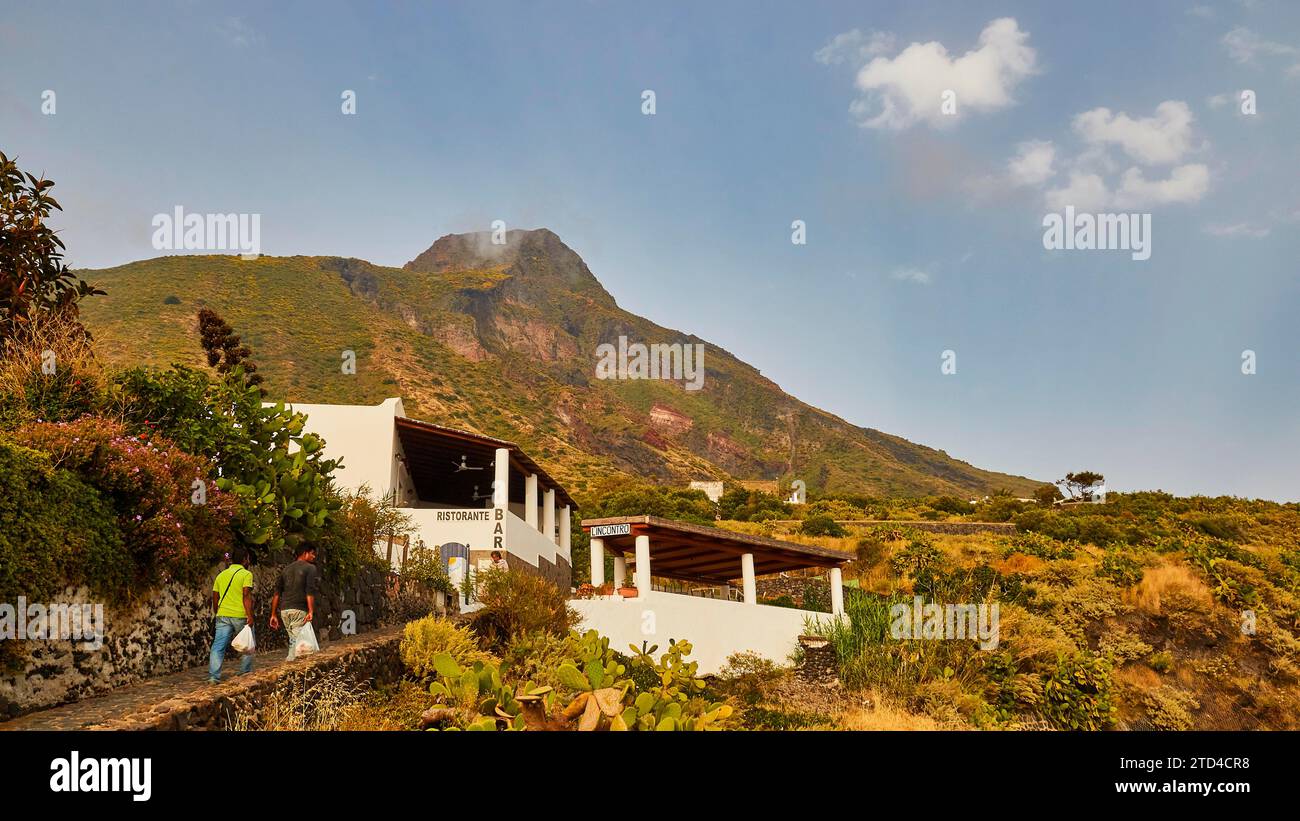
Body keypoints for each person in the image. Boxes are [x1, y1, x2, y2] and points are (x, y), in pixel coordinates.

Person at [208, 547, 254, 683]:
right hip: (240, 614)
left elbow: (215, 597)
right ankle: (245, 672)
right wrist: (249, 615)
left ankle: (213, 676)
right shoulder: (246, 574)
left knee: (218, 646)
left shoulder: (221, 575)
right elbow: (246, 595)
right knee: (247, 644)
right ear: (245, 559)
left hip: (222, 614)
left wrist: (217, 612)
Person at [269, 545, 319, 659]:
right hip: (298, 610)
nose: (314, 556)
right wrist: (311, 611)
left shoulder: (285, 569)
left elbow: (277, 593)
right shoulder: (310, 568)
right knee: (301, 646)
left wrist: (273, 614)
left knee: (293, 642)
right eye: (312, 553)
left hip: (285, 611)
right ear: (305, 553)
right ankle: (291, 669)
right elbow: (309, 591)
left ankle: (290, 666)